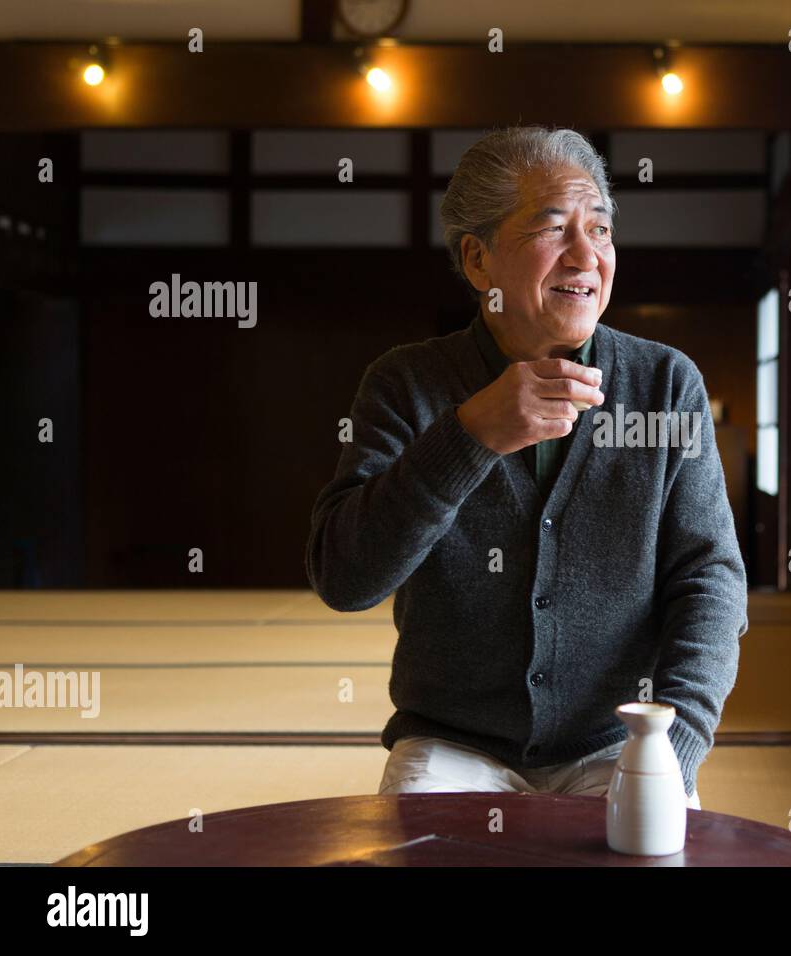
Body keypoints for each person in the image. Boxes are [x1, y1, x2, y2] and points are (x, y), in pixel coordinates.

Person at [305, 125, 748, 811]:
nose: (585, 255)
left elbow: (710, 579)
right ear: (478, 262)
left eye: (599, 230)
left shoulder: (664, 383)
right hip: (451, 741)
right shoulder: (407, 383)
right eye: (552, 228)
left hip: (618, 739)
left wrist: (674, 744)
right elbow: (346, 578)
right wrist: (469, 437)